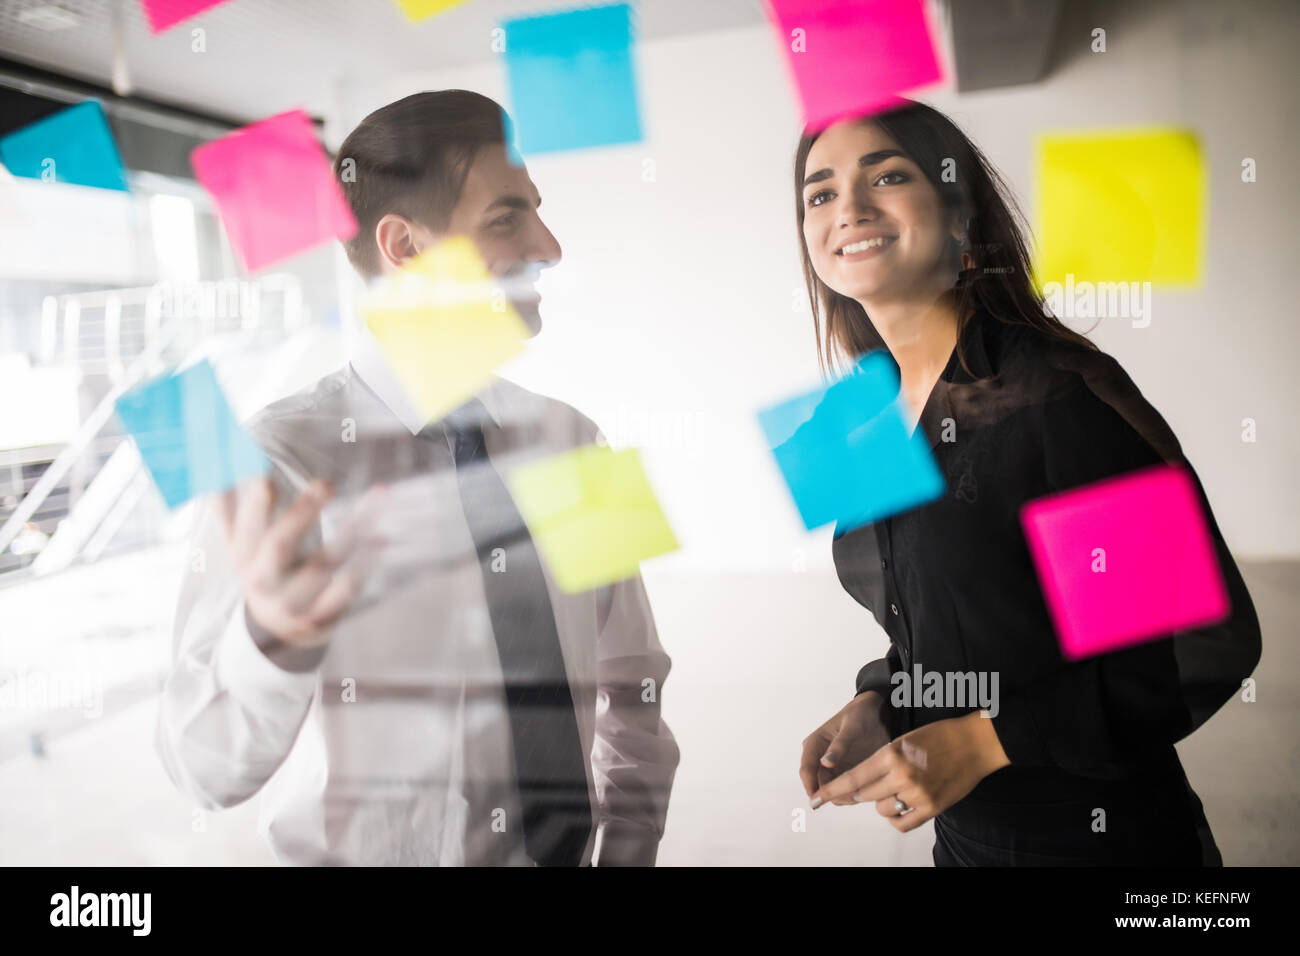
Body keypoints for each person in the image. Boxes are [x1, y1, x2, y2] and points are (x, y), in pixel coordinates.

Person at [156, 90, 679, 866]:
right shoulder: (277, 461)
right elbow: (201, 773)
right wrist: (269, 645)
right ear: (403, 245)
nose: (550, 245)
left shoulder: (580, 441)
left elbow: (634, 686)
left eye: (537, 209)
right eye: (507, 218)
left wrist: (629, 850)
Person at [792, 100, 1261, 865]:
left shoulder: (1052, 390)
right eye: (820, 192)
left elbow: (1198, 644)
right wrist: (884, 701)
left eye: (889, 175)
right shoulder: (862, 415)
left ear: (960, 221)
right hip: (965, 844)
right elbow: (941, 627)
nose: (848, 207)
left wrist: (985, 741)